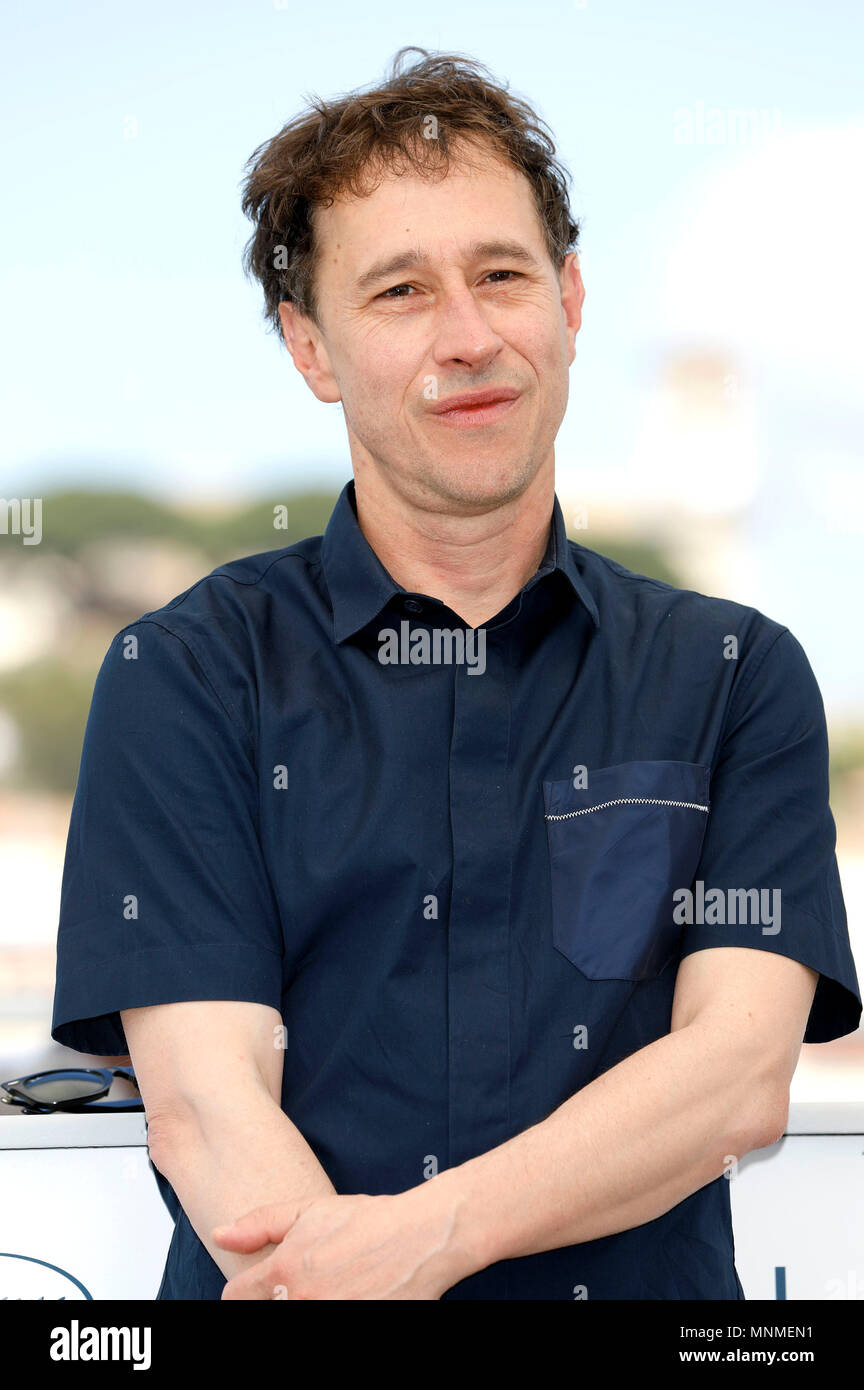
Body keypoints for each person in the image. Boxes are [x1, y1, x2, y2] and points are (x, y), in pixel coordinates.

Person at [51, 46, 861, 1301]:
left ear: (572, 300)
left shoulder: (734, 674)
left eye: (501, 275)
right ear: (311, 348)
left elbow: (737, 1074)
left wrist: (425, 1238)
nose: (471, 337)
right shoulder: (187, 676)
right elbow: (208, 1109)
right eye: (400, 293)